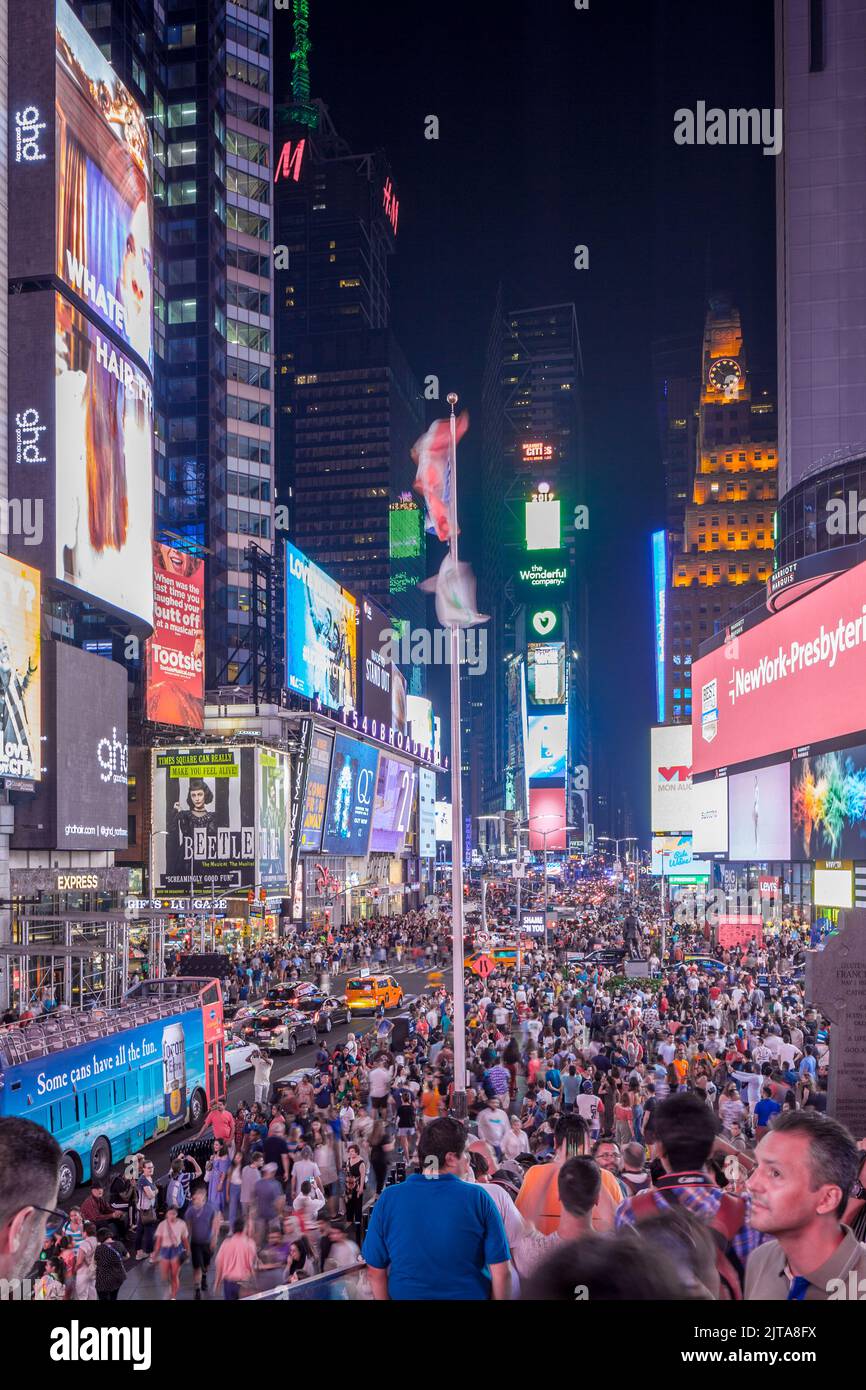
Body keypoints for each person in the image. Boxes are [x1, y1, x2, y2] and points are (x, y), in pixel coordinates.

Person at [616, 1092, 761, 1297]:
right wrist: (733, 1152)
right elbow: (765, 1181)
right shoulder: (745, 1210)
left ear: (660, 1148)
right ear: (711, 1149)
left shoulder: (630, 1211)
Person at [362, 1117, 511, 1301]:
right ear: (450, 1158)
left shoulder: (388, 1199)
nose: (468, 1159)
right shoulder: (478, 1199)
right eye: (464, 1152)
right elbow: (502, 1273)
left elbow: (375, 1272)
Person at [745, 1110, 866, 1300]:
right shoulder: (760, 1261)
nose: (751, 1184)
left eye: (775, 1173)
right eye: (756, 1167)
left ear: (827, 1199)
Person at [515, 1114, 621, 1234]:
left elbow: (520, 1224)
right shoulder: (607, 1179)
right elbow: (621, 1227)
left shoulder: (534, 1175)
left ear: (555, 1142)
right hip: (595, 1251)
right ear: (588, 1144)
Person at [511, 1157, 601, 1283]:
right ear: (597, 1198)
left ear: (559, 1195)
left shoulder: (535, 1254)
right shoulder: (614, 1254)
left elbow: (526, 1224)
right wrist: (590, 1173)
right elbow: (619, 1220)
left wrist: (554, 1166)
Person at [185, 1184, 221, 1300]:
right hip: (195, 1243)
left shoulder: (210, 1209)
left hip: (207, 1242)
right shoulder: (190, 1212)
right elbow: (188, 1229)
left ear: (203, 1198)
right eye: (195, 1198)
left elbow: (215, 1224)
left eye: (199, 1198)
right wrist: (187, 1246)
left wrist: (214, 1238)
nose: (196, 1200)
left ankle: (204, 1276)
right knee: (197, 1267)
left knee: (205, 1265)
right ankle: (197, 1289)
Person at [213, 1218, 259, 1301]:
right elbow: (252, 1266)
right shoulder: (250, 1243)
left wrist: (217, 1283)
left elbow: (219, 1264)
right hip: (244, 1284)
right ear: (245, 1228)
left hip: (228, 1283)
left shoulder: (226, 1243)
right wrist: (256, 1284)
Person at [152, 1205, 190, 1301]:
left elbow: (184, 1239)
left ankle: (173, 1296)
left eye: (174, 1213)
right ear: (166, 1214)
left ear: (177, 1214)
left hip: (176, 1250)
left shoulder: (181, 1224)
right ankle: (170, 1284)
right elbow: (158, 1241)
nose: (172, 1216)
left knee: (174, 1275)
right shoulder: (162, 1225)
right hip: (165, 1250)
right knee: (165, 1275)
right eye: (170, 1213)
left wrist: (188, 1251)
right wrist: (155, 1254)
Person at [93, 1227, 128, 1302]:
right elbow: (128, 1256)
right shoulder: (119, 1244)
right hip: (118, 1276)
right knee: (113, 1296)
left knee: (103, 1297)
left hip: (104, 1279)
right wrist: (118, 1260)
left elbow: (95, 1262)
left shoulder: (99, 1248)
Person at [74, 1221, 99, 1301]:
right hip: (93, 1272)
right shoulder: (97, 1242)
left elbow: (79, 1261)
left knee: (82, 1296)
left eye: (82, 1231)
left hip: (83, 1273)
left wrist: (74, 1270)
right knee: (92, 1294)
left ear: (85, 1232)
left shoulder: (84, 1244)